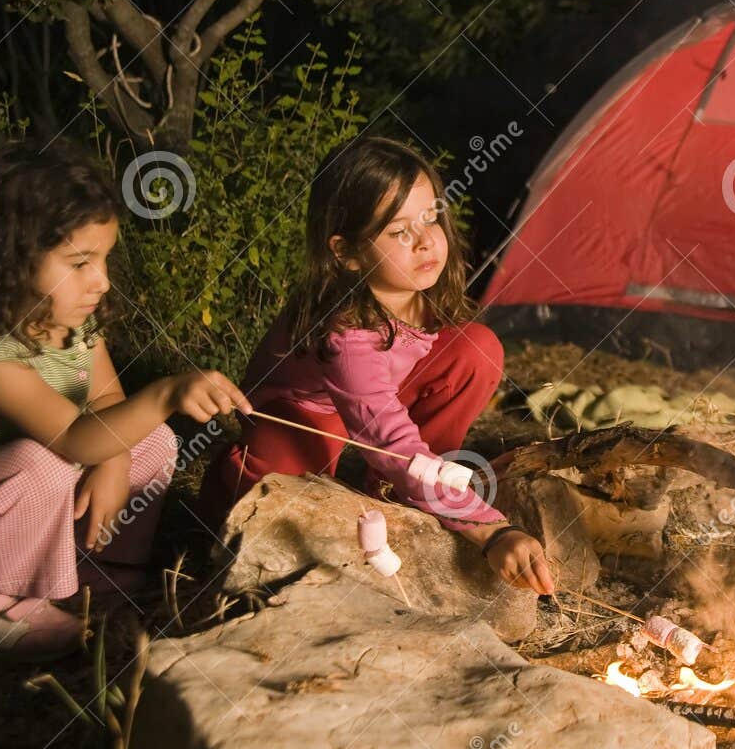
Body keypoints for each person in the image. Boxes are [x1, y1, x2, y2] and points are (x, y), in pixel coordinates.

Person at [0, 140, 252, 660]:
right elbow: (78, 439)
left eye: (104, 260)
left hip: (18, 509)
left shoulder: (77, 331)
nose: (101, 281)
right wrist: (167, 391)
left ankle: (99, 578)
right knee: (49, 459)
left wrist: (119, 454)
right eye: (79, 263)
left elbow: (109, 404)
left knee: (149, 439)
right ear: (10, 260)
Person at [198, 135, 554, 595]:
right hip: (304, 413)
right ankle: (231, 489)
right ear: (347, 253)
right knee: (286, 496)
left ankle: (408, 490)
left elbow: (391, 422)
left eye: (430, 219)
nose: (426, 241)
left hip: (378, 400)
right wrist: (490, 531)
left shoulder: (418, 292)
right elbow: (390, 442)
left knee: (475, 348)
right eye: (398, 231)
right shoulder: (345, 334)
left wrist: (423, 474)